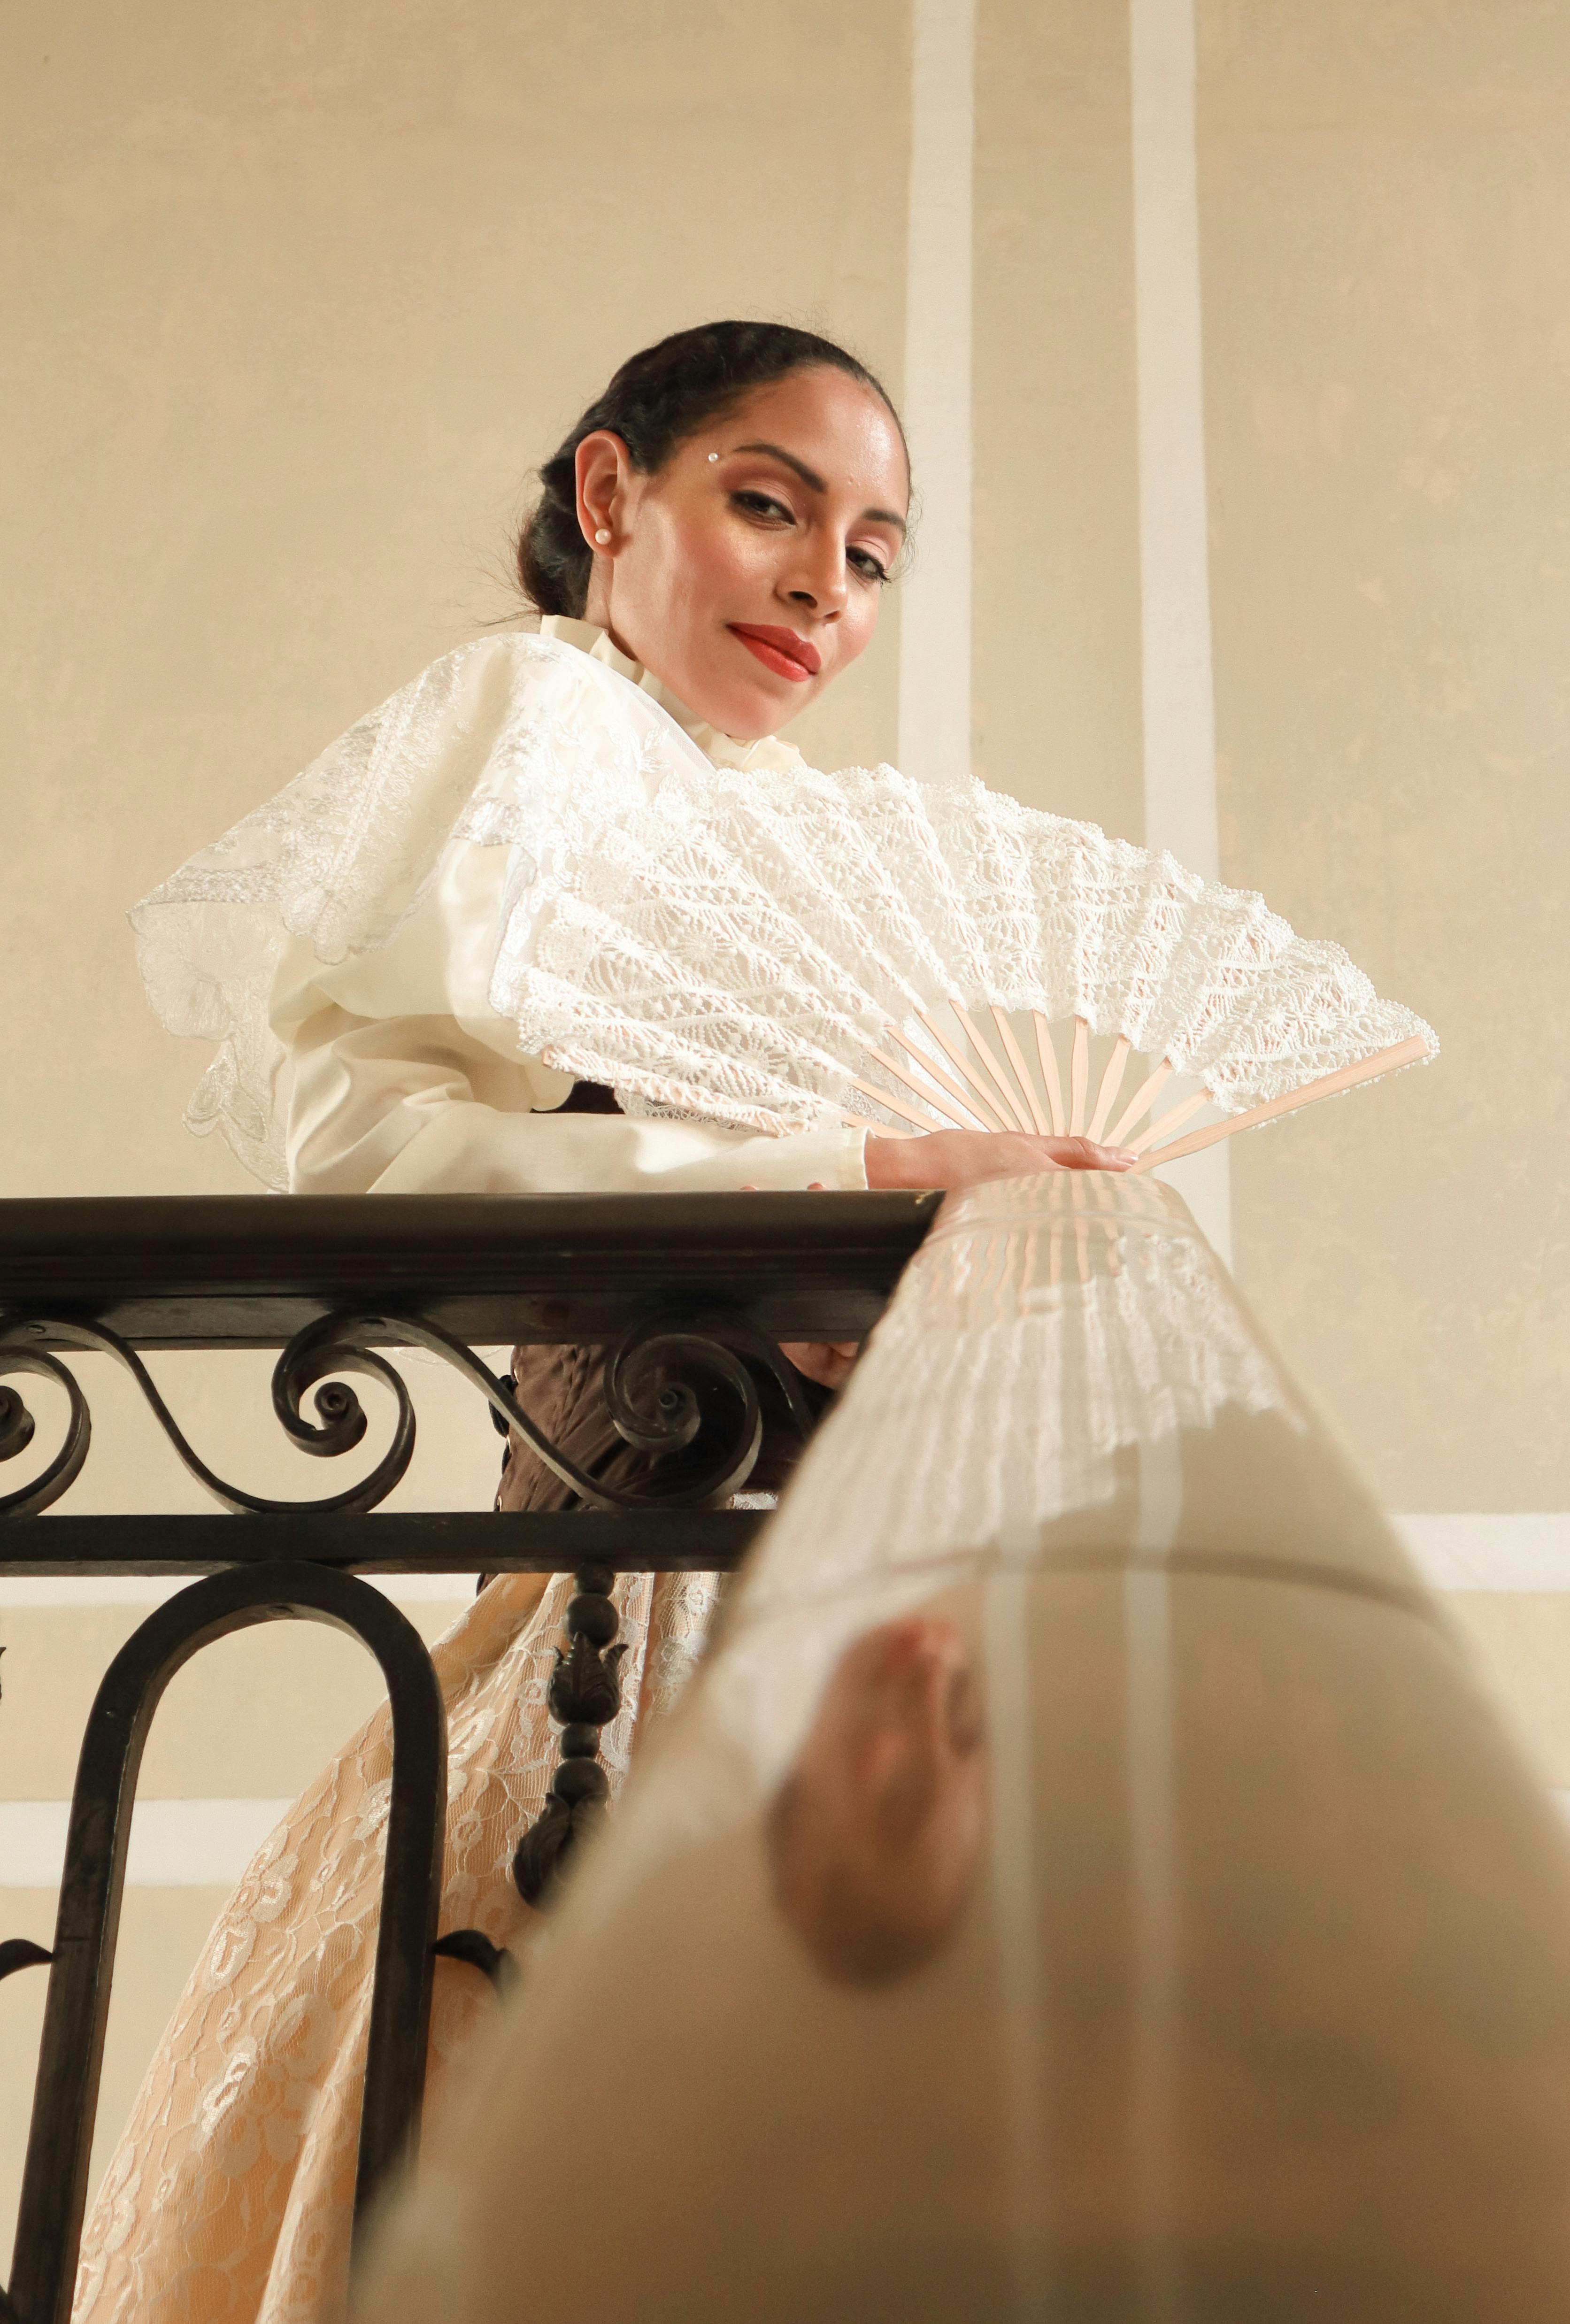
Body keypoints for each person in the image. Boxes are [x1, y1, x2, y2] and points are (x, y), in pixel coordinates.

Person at [83, 320, 1135, 2324]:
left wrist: (883, 1261)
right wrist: (837, 1178)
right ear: (604, 496)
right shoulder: (536, 722)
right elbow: (370, 1150)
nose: (829, 584)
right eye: (770, 505)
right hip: (624, 1604)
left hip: (820, 1598)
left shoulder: (779, 823)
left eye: (876, 549)